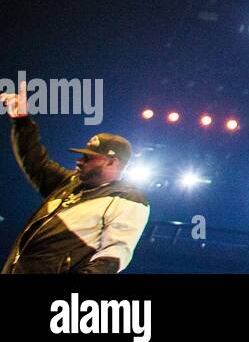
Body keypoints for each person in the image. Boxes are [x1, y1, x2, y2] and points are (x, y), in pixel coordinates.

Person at [1, 83, 150, 273]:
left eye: (89, 157)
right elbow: (35, 162)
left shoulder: (128, 198)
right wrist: (22, 121)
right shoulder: (71, 183)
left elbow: (114, 254)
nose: (80, 160)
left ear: (112, 163)